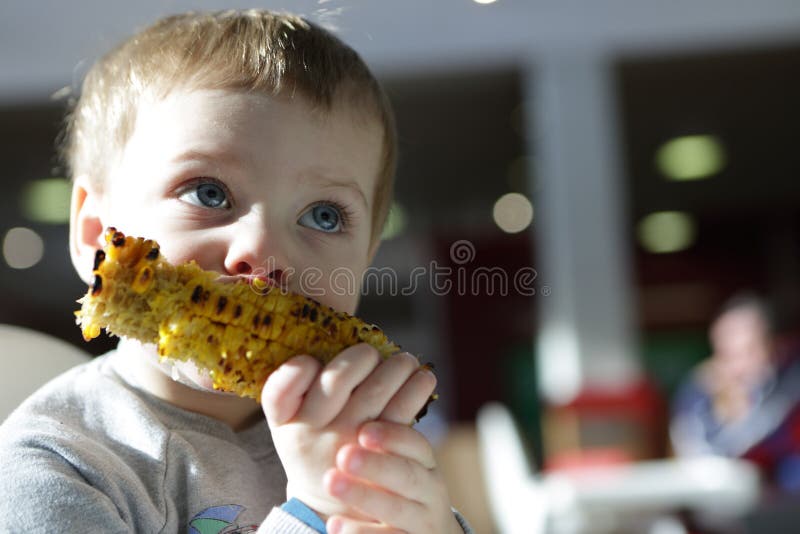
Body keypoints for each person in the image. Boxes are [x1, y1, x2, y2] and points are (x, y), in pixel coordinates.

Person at [0, 10, 472, 533]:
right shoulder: (57, 462)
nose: (263, 252)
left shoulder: (358, 445)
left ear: (365, 260)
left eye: (324, 215)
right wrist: (313, 513)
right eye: (209, 193)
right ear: (97, 233)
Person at [670, 292, 800, 492]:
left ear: (772, 347)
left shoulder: (788, 383)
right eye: (728, 355)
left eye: (749, 352)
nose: (739, 367)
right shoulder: (699, 392)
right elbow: (695, 458)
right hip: (724, 501)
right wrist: (723, 414)